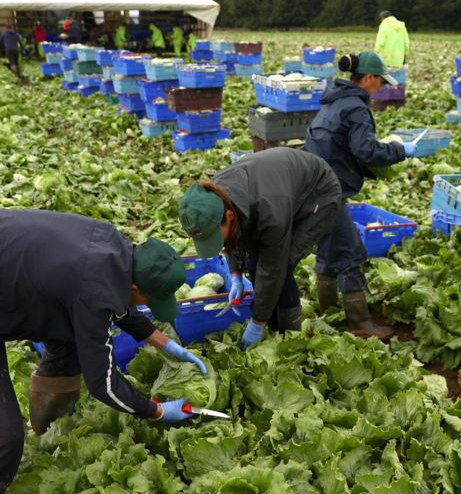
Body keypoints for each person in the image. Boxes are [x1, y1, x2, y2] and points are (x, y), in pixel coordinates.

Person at [0, 208, 206, 494]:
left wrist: (164, 343)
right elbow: (103, 384)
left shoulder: (117, 250)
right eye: (150, 300)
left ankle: (47, 431)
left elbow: (116, 300)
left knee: (70, 339)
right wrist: (158, 411)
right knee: (3, 438)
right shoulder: (95, 288)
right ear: (136, 287)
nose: (148, 306)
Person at [178, 147, 342, 350]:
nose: (216, 243)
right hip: (278, 189)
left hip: (317, 195)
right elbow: (232, 236)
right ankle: (272, 324)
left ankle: (291, 334)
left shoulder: (269, 214)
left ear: (228, 216)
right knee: (256, 263)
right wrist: (236, 270)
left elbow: (273, 269)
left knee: (283, 263)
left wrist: (256, 322)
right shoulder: (213, 197)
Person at [302, 51, 416, 339]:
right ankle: (361, 324)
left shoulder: (334, 101)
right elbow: (366, 150)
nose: (381, 87)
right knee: (351, 253)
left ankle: (327, 311)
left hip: (312, 184)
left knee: (329, 249)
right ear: (368, 78)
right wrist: (401, 150)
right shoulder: (355, 108)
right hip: (327, 188)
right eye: (380, 81)